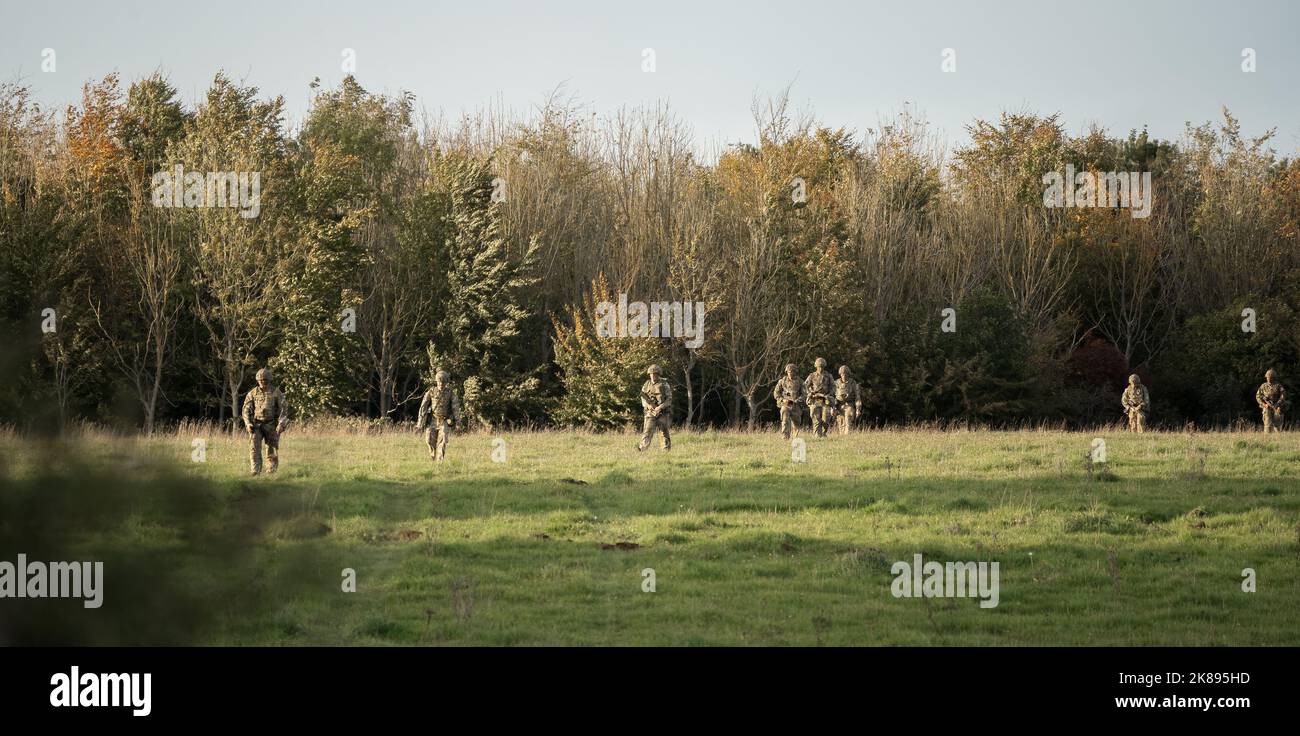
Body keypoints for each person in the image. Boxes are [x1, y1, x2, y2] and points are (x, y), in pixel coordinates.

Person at [241, 367, 288, 475]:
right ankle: (255, 471)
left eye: (265, 380)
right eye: (261, 380)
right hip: (256, 425)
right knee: (254, 448)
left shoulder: (276, 392)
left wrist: (281, 424)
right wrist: (248, 423)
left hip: (272, 425)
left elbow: (284, 409)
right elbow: (245, 410)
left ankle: (271, 471)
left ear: (269, 380)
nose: (263, 382)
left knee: (271, 449)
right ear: (257, 380)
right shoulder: (252, 393)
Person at [417, 369, 463, 461]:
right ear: (437, 381)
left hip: (444, 421)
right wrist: (420, 422)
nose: (441, 384)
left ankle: (439, 462)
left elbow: (455, 408)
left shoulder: (450, 393)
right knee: (429, 440)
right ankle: (433, 457)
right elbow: (423, 407)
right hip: (432, 419)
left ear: (446, 383)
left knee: (443, 442)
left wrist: (458, 422)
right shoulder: (431, 392)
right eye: (439, 382)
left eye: (443, 382)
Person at [637, 364, 672, 452]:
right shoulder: (647, 384)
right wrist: (648, 406)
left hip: (662, 412)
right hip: (650, 411)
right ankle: (642, 449)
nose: (652, 375)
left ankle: (665, 450)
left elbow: (669, 399)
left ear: (658, 374)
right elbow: (643, 397)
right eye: (651, 374)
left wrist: (660, 407)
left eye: (655, 373)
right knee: (647, 431)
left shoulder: (664, 384)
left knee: (663, 432)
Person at [803, 357, 836, 437]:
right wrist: (810, 393)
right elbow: (804, 386)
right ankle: (817, 436)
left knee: (826, 419)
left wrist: (829, 394)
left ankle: (824, 433)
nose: (820, 368)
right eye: (819, 366)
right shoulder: (812, 376)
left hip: (825, 400)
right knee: (816, 420)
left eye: (822, 366)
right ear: (816, 366)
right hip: (815, 400)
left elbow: (833, 387)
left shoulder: (828, 376)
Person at [773, 363, 805, 440]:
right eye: (789, 372)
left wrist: (797, 400)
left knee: (796, 422)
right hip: (786, 404)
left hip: (796, 405)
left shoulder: (800, 382)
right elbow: (776, 393)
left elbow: (805, 394)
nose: (790, 373)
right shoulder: (782, 381)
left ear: (795, 372)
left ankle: (795, 435)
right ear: (787, 372)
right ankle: (785, 436)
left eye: (792, 372)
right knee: (785, 419)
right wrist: (782, 400)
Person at [1255, 368, 1286, 433]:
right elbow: (1258, 396)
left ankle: (1279, 441)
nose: (1268, 378)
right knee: (1267, 426)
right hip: (1267, 408)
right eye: (1267, 377)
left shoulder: (1278, 386)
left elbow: (1282, 396)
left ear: (1274, 377)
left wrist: (1278, 404)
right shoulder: (1263, 386)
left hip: (1277, 407)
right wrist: (1264, 404)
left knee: (1278, 427)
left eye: (1270, 377)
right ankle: (1267, 440)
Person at [834, 365, 863, 435]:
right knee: (841, 424)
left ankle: (847, 435)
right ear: (840, 374)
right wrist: (833, 407)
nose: (844, 375)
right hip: (839, 405)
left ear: (848, 374)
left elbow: (857, 397)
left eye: (845, 373)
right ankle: (843, 439)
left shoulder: (853, 383)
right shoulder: (836, 383)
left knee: (848, 420)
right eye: (842, 373)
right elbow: (832, 395)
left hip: (849, 405)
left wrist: (858, 409)